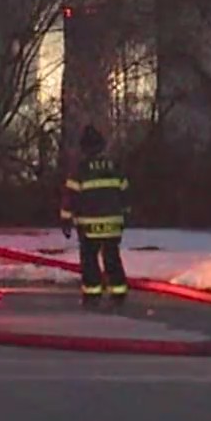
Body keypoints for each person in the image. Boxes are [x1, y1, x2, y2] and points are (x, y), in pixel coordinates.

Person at [60, 125, 130, 308]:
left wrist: (65, 220)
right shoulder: (114, 167)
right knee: (112, 257)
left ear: (85, 148)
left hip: (89, 225)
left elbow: (70, 197)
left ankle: (92, 295)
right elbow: (125, 193)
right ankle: (118, 293)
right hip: (113, 223)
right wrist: (126, 215)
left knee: (89, 260)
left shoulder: (80, 170)